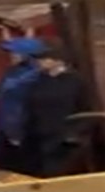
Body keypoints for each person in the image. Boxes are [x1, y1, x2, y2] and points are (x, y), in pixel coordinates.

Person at [25, 46, 90, 177]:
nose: (39, 62)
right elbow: (29, 107)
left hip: (64, 139)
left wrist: (74, 133)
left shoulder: (75, 81)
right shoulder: (36, 81)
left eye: (44, 59)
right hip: (39, 137)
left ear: (58, 60)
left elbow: (86, 109)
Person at [0, 36, 47, 175]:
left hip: (22, 128)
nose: (11, 56)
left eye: (15, 53)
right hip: (4, 125)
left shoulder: (35, 75)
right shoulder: (13, 71)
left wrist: (18, 130)